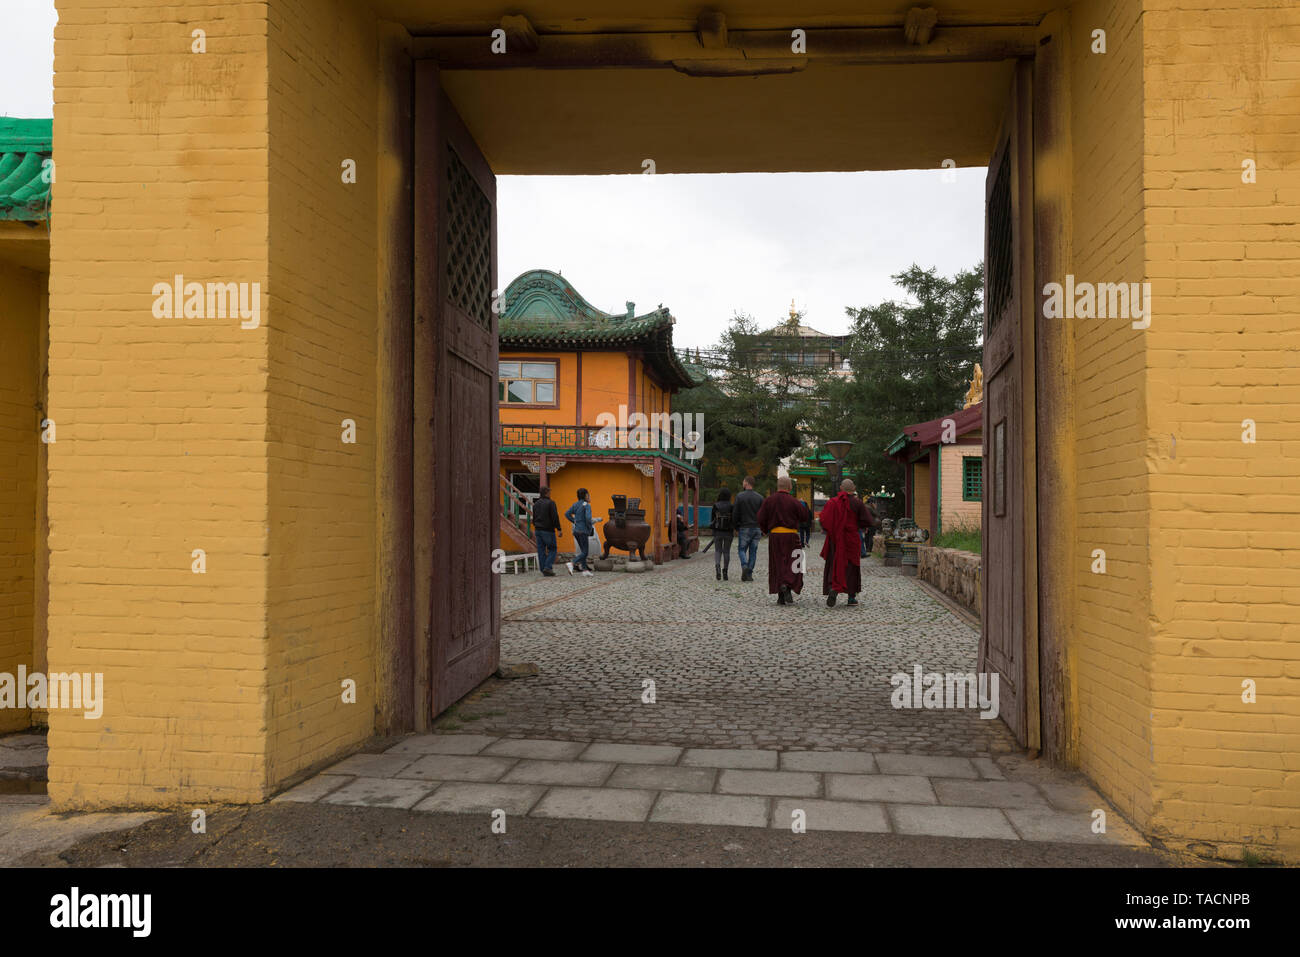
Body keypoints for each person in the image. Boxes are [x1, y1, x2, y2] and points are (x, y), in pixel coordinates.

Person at [757, 475, 811, 605]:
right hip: (792, 536)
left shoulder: (769, 500)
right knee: (796, 563)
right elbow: (805, 516)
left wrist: (765, 530)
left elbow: (760, 518)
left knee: (778, 564)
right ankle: (787, 585)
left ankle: (781, 595)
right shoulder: (794, 501)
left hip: (775, 537)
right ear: (790, 487)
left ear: (778, 486)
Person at [820, 478, 872, 606]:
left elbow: (823, 520)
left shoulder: (832, 502)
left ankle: (834, 588)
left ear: (841, 489)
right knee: (851, 566)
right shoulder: (858, 503)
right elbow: (867, 521)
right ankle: (851, 597)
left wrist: (832, 531)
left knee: (835, 564)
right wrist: (857, 525)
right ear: (853, 489)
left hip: (835, 540)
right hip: (851, 539)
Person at [733, 475, 764, 582]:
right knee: (753, 552)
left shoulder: (740, 496)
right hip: (757, 528)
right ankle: (749, 574)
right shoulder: (760, 497)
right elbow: (763, 514)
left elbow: (735, 513)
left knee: (741, 549)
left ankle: (744, 566)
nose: (743, 483)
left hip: (745, 527)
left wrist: (736, 526)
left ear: (746, 483)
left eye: (743, 481)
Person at [564, 487, 595, 576]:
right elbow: (588, 519)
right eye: (588, 494)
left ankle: (585, 570)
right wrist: (589, 527)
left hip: (576, 531)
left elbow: (567, 514)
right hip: (583, 531)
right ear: (585, 495)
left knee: (583, 551)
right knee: (585, 552)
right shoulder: (587, 505)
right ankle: (572, 563)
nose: (589, 496)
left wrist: (574, 521)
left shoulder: (575, 504)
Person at [532, 486, 562, 576]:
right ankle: (548, 567)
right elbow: (555, 517)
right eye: (549, 492)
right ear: (546, 493)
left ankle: (543, 569)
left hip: (538, 530)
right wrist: (559, 529)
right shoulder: (551, 503)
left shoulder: (536, 504)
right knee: (552, 549)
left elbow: (534, 517)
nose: (550, 493)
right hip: (548, 530)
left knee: (541, 550)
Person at [710, 488, 735, 580]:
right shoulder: (731, 506)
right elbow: (734, 519)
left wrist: (713, 531)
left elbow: (712, 519)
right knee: (726, 551)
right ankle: (725, 571)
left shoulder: (715, 505)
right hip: (728, 532)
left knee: (718, 550)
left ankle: (717, 568)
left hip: (717, 531)